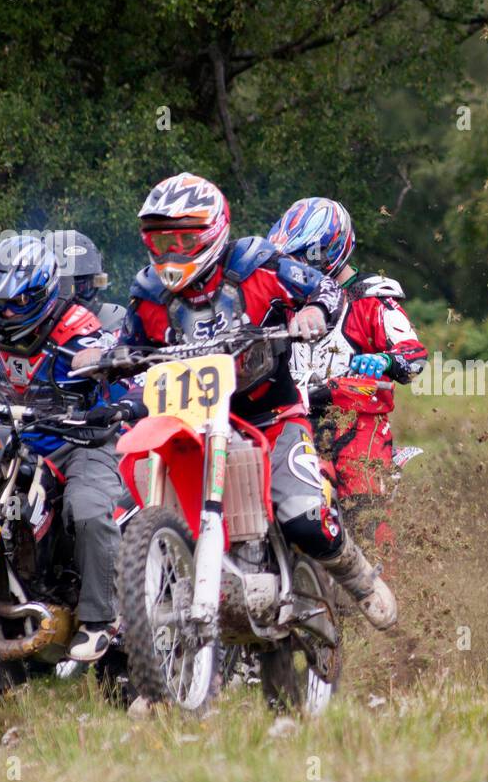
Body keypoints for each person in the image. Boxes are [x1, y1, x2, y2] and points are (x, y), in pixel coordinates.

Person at [119, 173, 397, 629]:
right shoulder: (148, 294)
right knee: (129, 515)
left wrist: (311, 311)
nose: (171, 252)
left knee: (305, 519)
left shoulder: (257, 265)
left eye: (184, 239)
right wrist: (108, 358)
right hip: (186, 428)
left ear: (211, 232)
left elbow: (324, 290)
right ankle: (134, 639)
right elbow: (128, 346)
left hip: (270, 418)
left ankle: (359, 577)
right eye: (160, 240)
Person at [0, 234, 131, 661]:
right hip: (11, 439)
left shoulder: (81, 333)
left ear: (42, 294)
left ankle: (98, 620)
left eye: (15, 302)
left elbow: (119, 368)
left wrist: (117, 394)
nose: (5, 311)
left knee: (87, 510)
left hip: (78, 441)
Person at [270, 197, 427, 557]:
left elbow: (414, 355)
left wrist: (387, 360)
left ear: (332, 249)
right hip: (291, 418)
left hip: (354, 421)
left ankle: (379, 576)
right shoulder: (282, 303)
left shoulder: (370, 298)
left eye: (308, 255)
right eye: (292, 256)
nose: (300, 265)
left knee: (363, 504)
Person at [47, 229, 128, 333]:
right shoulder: (35, 323)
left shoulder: (112, 319)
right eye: (66, 288)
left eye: (82, 288)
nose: (74, 297)